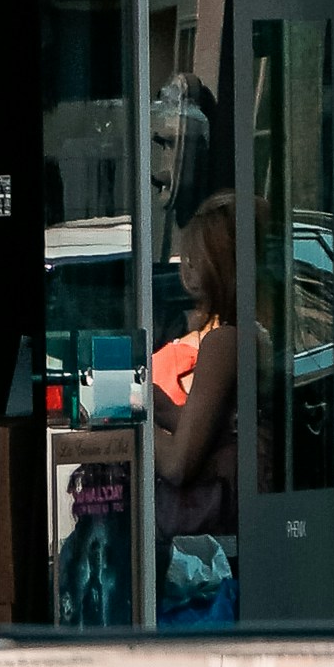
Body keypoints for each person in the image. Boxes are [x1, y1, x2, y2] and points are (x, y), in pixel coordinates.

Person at [151, 187, 240, 626]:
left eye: (193, 259)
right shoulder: (258, 334)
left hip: (227, 546)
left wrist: (136, 431)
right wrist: (165, 409)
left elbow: (181, 462)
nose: (184, 269)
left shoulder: (224, 342)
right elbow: (212, 432)